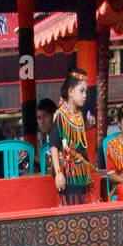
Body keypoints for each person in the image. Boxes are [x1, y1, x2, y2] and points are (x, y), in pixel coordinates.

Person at [50, 72, 94, 205]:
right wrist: (58, 173)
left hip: (82, 171)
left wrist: (87, 126)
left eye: (86, 91)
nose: (85, 95)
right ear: (70, 91)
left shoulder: (80, 114)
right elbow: (54, 146)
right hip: (68, 173)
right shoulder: (61, 116)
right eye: (81, 91)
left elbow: (75, 137)